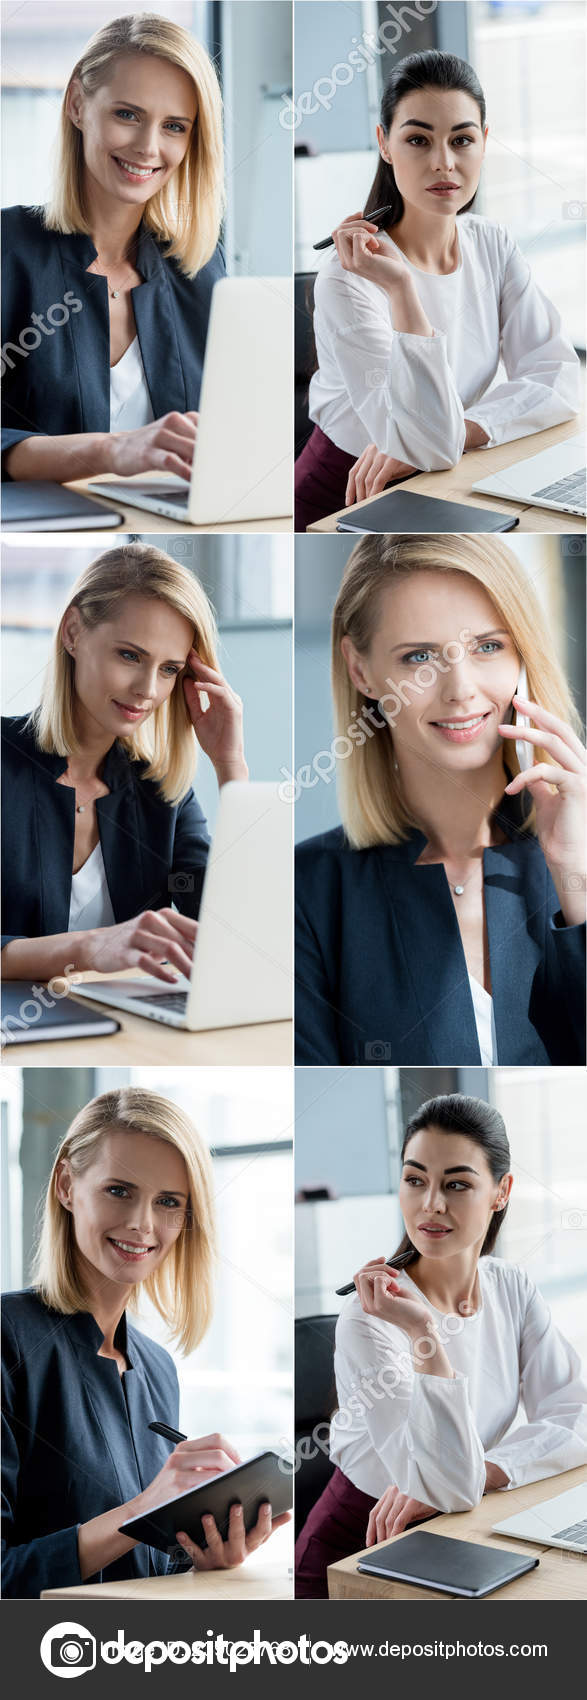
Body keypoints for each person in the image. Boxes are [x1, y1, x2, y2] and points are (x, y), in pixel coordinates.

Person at [295, 533, 586, 1065]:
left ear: (522, 654)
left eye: (488, 646)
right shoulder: (307, 890)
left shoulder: (577, 852)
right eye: (419, 657)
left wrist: (575, 874)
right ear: (361, 670)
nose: (460, 689)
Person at [2, 1087, 290, 1599]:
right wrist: (143, 1509)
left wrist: (200, 1555)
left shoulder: (157, 1368)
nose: (142, 1223)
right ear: (68, 1186)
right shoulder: (9, 1337)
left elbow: (144, 1570)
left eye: (169, 1202)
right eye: (119, 1190)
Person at [295, 1093, 587, 1598]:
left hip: (460, 1530)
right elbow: (443, 1484)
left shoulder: (510, 1286)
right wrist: (424, 1334)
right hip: (356, 1552)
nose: (430, 1203)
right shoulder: (369, 1320)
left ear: (501, 1192)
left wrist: (490, 1471)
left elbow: (575, 1416)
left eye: (456, 1184)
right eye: (415, 1180)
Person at [295, 50, 580, 530]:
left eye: (462, 139)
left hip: (443, 474)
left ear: (484, 143)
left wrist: (463, 431)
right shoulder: (347, 277)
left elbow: (557, 377)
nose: (443, 162)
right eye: (418, 140)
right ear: (385, 144)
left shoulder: (491, 241)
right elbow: (422, 442)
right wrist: (403, 290)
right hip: (346, 495)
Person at [1, 540, 248, 983]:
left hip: (132, 1039)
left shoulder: (161, 791)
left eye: (170, 669)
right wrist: (88, 948)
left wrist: (231, 768)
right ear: (73, 632)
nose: (148, 690)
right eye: (130, 656)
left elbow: (239, 933)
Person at [2, 13, 225, 485]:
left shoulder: (200, 268)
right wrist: (112, 451)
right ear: (77, 104)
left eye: (175, 126)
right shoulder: (9, 250)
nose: (148, 147)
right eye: (128, 115)